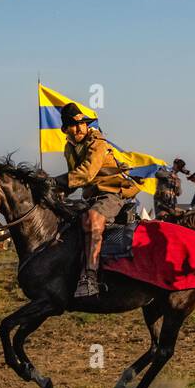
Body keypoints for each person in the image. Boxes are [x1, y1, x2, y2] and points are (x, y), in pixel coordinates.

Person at [51, 103, 141, 298]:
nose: (79, 128)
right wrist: (54, 191)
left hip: (111, 193)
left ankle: (90, 278)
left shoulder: (97, 142)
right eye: (74, 125)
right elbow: (74, 180)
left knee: (92, 218)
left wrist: (55, 181)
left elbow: (86, 174)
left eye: (82, 124)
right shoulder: (69, 148)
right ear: (65, 129)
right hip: (90, 195)